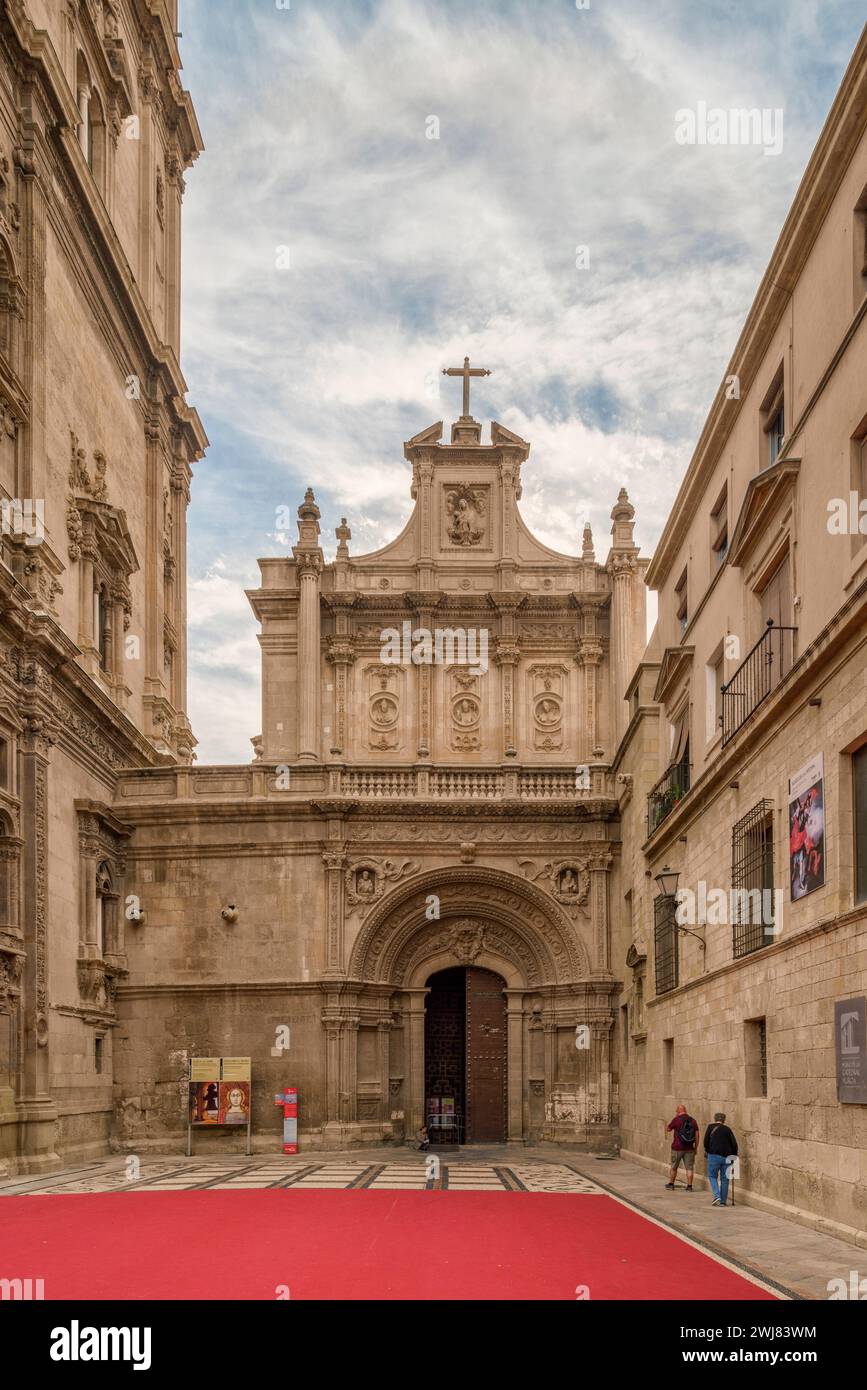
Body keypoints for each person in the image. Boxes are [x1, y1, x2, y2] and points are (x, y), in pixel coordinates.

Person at [704, 1112, 738, 1207]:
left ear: (715, 1119)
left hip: (714, 1155)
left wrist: (707, 1150)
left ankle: (717, 1195)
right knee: (725, 1179)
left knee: (712, 1176)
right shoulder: (728, 1129)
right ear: (724, 1120)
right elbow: (734, 1144)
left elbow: (705, 1141)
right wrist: (734, 1157)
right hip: (727, 1157)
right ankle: (723, 1201)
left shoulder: (710, 1127)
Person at [665, 1103, 699, 1191]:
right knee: (689, 1168)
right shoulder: (693, 1121)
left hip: (677, 1148)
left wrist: (675, 1118)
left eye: (677, 1111)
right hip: (689, 1148)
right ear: (685, 1111)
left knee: (674, 1166)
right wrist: (696, 1148)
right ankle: (689, 1186)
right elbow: (697, 1135)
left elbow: (668, 1129)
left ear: (678, 1111)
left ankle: (671, 1184)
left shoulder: (676, 1120)